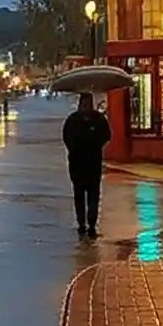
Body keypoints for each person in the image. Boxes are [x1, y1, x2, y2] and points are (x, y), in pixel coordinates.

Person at [63, 93, 111, 238]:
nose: (86, 106)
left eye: (88, 104)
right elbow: (67, 138)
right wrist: (75, 148)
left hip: (93, 164)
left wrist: (94, 146)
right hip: (77, 164)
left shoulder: (99, 120)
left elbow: (107, 136)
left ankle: (91, 224)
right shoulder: (72, 120)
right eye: (84, 104)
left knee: (93, 195)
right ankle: (81, 223)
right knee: (79, 195)